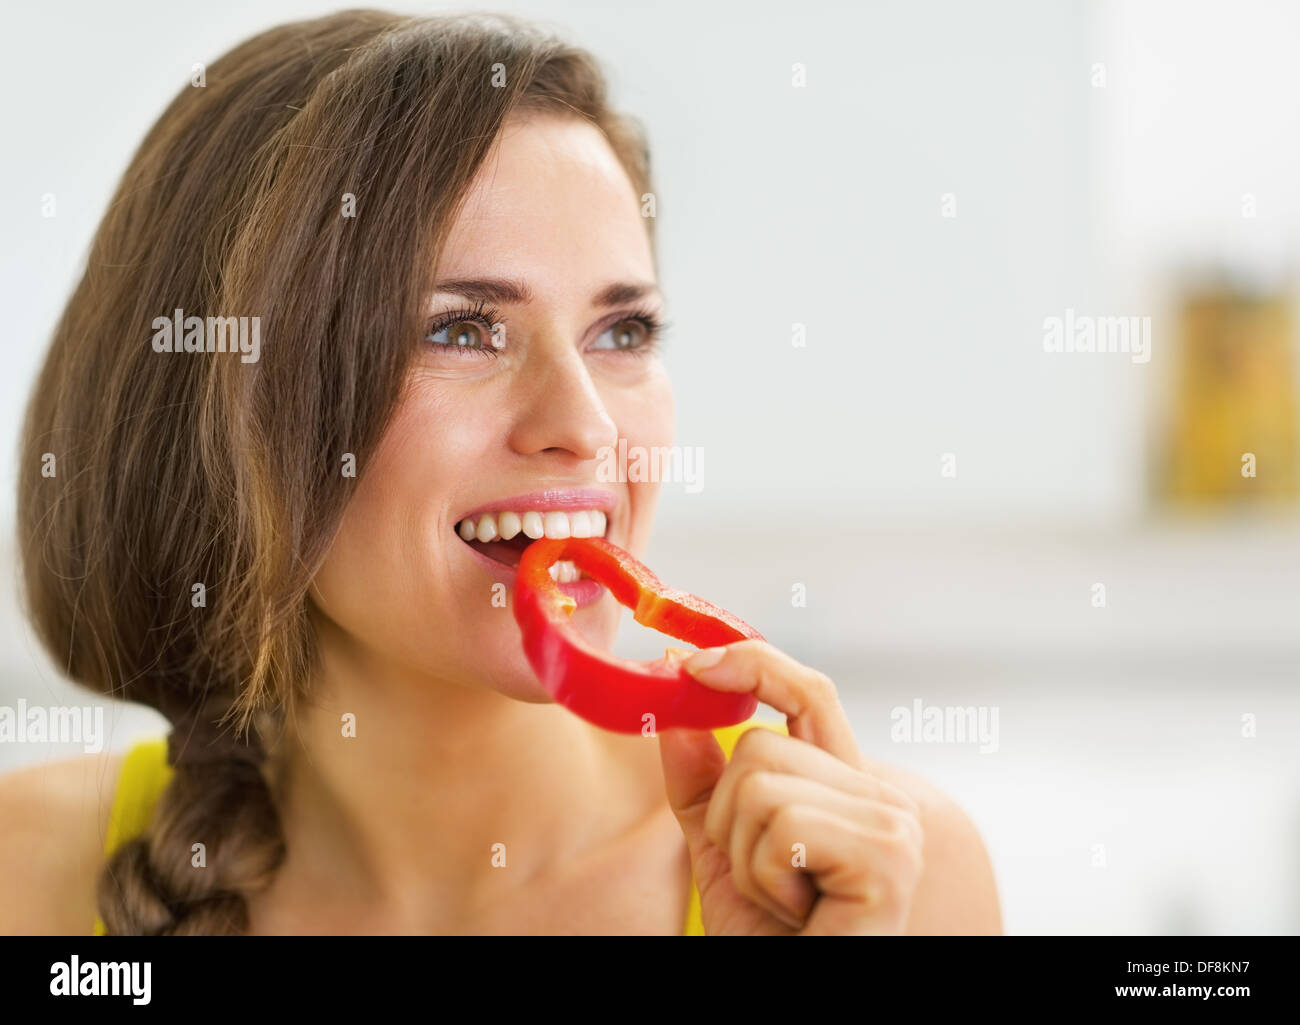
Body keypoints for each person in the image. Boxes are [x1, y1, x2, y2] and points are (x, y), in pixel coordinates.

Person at [0, 10, 1000, 935]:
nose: (587, 426)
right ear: (226, 401)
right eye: (460, 328)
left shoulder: (893, 878)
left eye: (623, 329)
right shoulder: (22, 869)